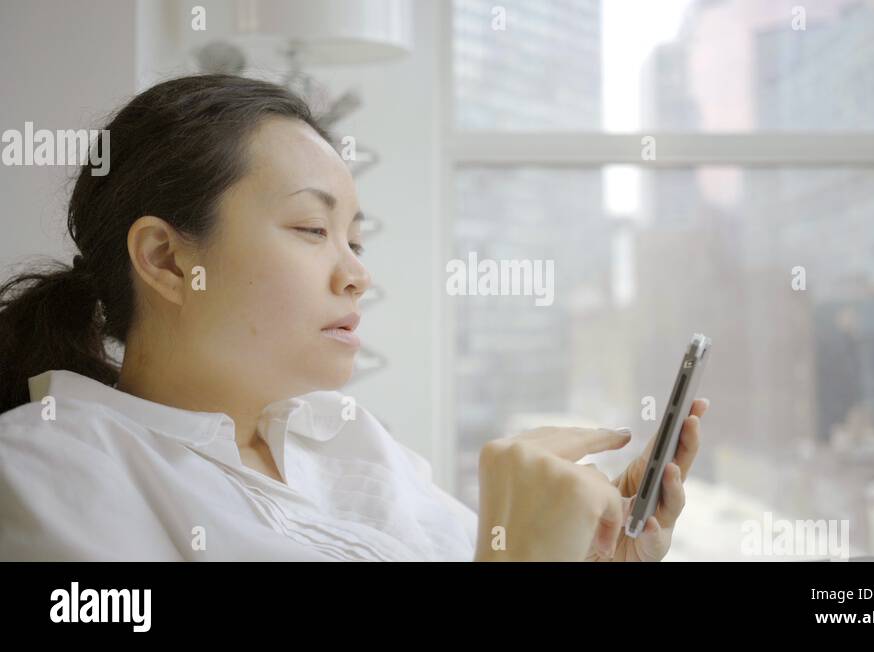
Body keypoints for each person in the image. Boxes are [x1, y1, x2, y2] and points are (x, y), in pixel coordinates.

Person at [0, 74, 709, 561]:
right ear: (166, 259)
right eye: (312, 229)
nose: (357, 274)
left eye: (357, 240)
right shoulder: (42, 472)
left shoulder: (353, 444)